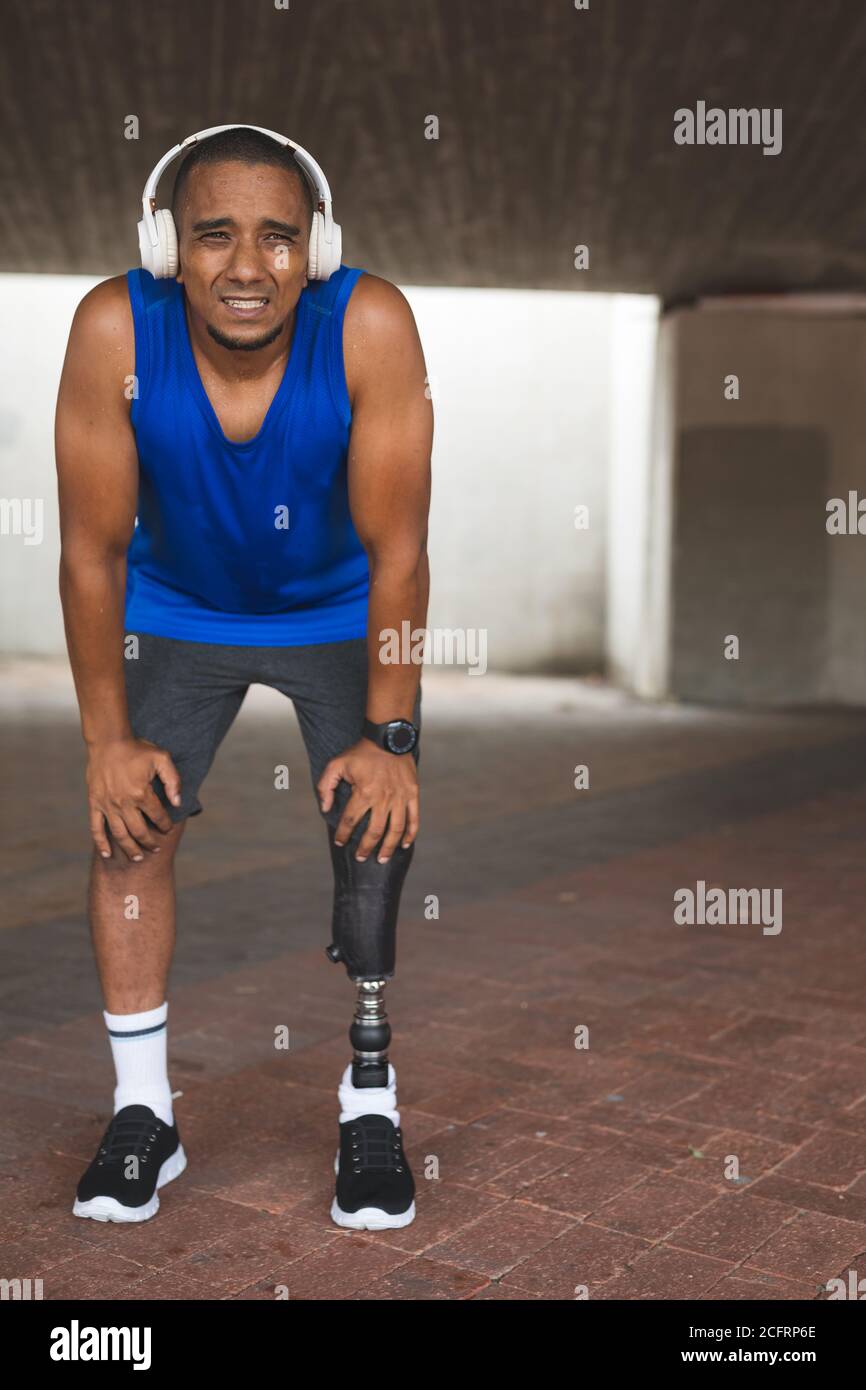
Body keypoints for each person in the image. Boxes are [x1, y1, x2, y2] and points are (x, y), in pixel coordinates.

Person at [54, 124, 432, 1230]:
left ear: (316, 249)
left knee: (375, 836)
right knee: (129, 831)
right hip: (176, 611)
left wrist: (391, 737)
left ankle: (369, 1102)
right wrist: (105, 742)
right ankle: (142, 1114)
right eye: (214, 235)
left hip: (337, 613)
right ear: (166, 245)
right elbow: (90, 551)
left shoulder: (367, 323)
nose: (248, 266)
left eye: (277, 238)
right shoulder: (114, 325)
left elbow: (399, 551)